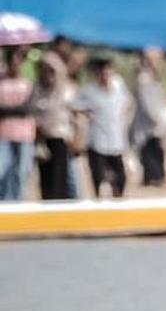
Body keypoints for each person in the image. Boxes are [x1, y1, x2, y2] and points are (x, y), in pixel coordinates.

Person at [74, 57, 134, 199]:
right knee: (98, 176)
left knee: (120, 178)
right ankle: (98, 203)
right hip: (97, 141)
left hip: (116, 141)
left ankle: (117, 201)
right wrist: (86, 115)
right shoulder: (89, 91)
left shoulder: (119, 86)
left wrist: (124, 117)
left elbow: (128, 102)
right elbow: (74, 106)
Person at [31, 51, 80, 200]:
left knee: (60, 177)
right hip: (42, 139)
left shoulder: (66, 91)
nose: (48, 74)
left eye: (51, 71)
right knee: (45, 178)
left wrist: (77, 136)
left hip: (60, 138)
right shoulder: (37, 90)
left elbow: (75, 116)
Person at [0, 48, 36, 201]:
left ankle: (16, 202)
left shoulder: (28, 83)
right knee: (3, 170)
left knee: (21, 172)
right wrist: (17, 109)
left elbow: (29, 108)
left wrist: (8, 109)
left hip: (25, 134)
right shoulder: (2, 81)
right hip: (4, 133)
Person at [131, 49, 166, 187]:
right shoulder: (144, 78)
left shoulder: (153, 76)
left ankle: (155, 176)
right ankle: (154, 177)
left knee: (156, 150)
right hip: (147, 123)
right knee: (149, 150)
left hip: (154, 123)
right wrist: (155, 117)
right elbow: (146, 102)